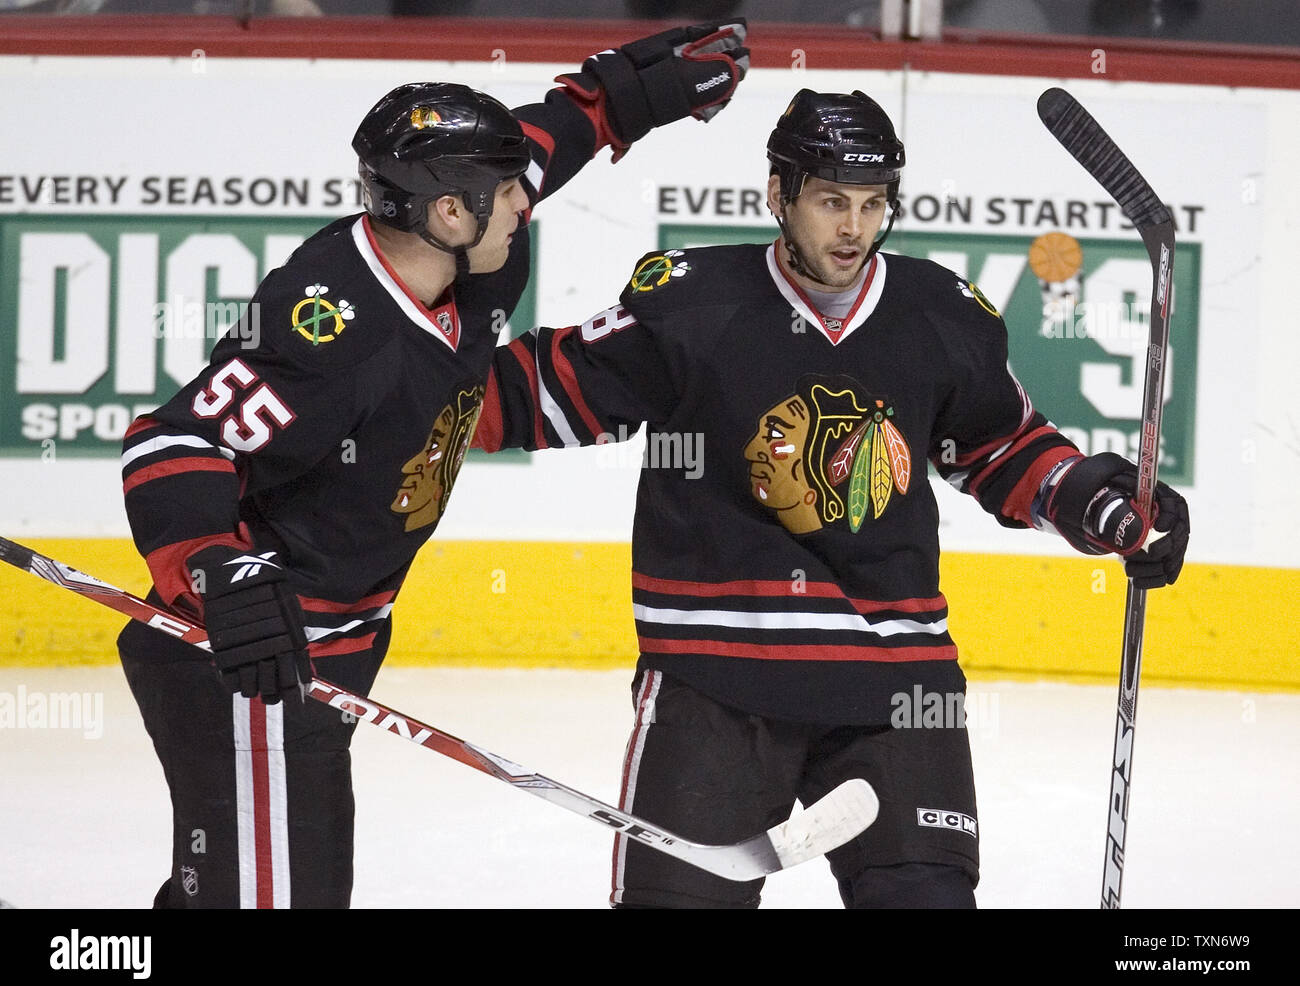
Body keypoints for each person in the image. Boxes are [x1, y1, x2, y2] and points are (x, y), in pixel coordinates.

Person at [473, 88, 1191, 908]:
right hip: (717, 682)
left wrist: (1097, 503)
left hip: (894, 684)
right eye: (829, 201)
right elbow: (529, 396)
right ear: (778, 194)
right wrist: (397, 406)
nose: (853, 228)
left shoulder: (935, 313)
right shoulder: (693, 303)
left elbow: (1004, 445)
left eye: (872, 204)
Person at [115, 21, 749, 909]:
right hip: (244, 659)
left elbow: (539, 146)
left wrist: (620, 104)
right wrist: (218, 568)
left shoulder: (464, 237)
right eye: (504, 194)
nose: (525, 203)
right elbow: (176, 440)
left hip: (332, 647)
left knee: (243, 887)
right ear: (449, 211)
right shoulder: (329, 326)